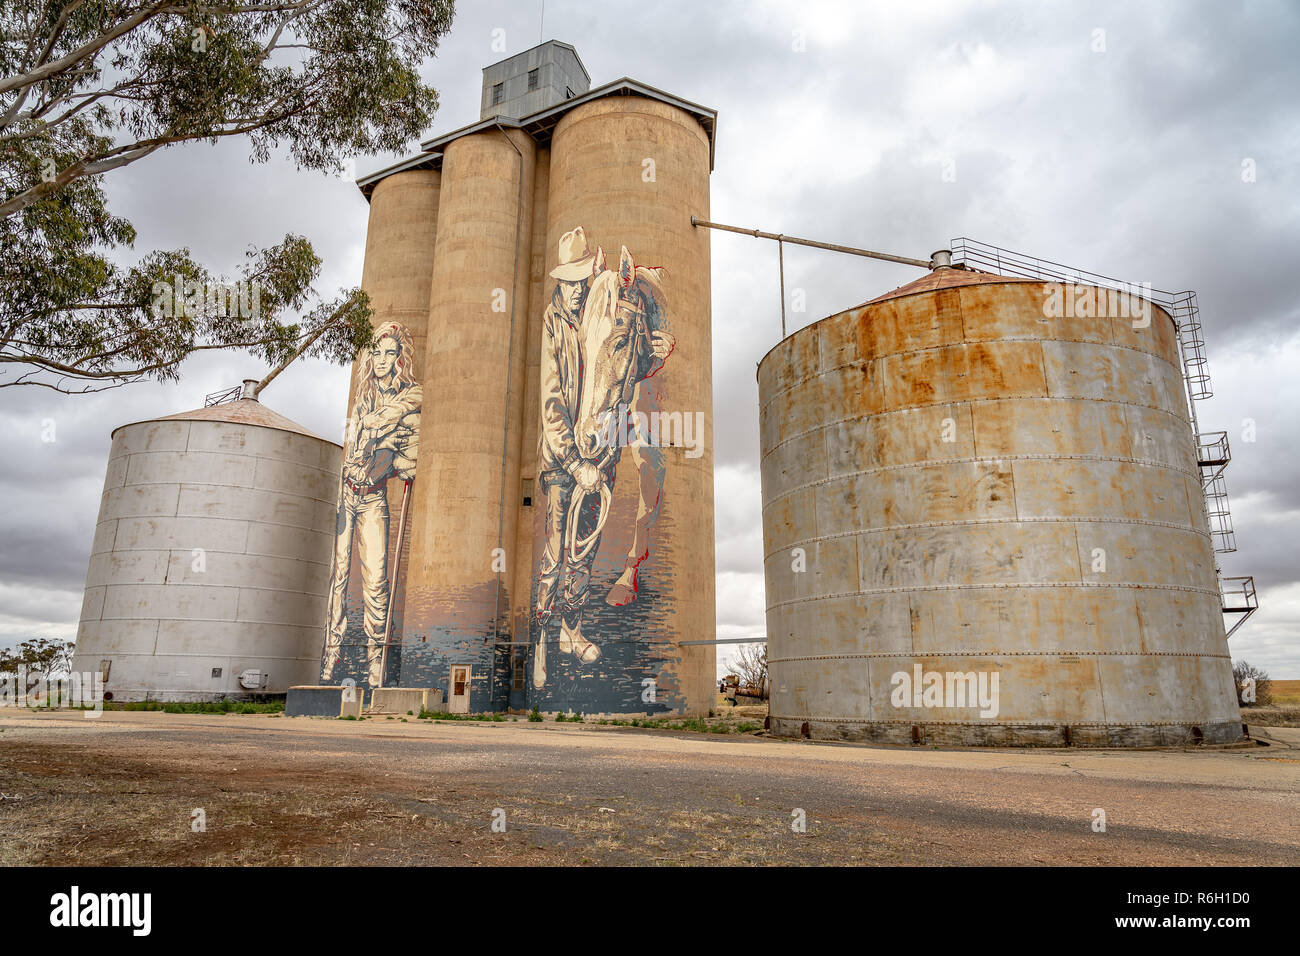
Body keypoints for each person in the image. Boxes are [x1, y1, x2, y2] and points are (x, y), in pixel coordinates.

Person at [322, 322, 421, 686]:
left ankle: (375, 660)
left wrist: (395, 455)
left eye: (389, 353)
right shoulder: (362, 394)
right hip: (346, 494)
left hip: (373, 498)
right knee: (338, 578)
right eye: (376, 352)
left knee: (377, 581)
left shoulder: (408, 397)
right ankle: (332, 654)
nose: (381, 360)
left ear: (400, 358)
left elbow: (408, 450)